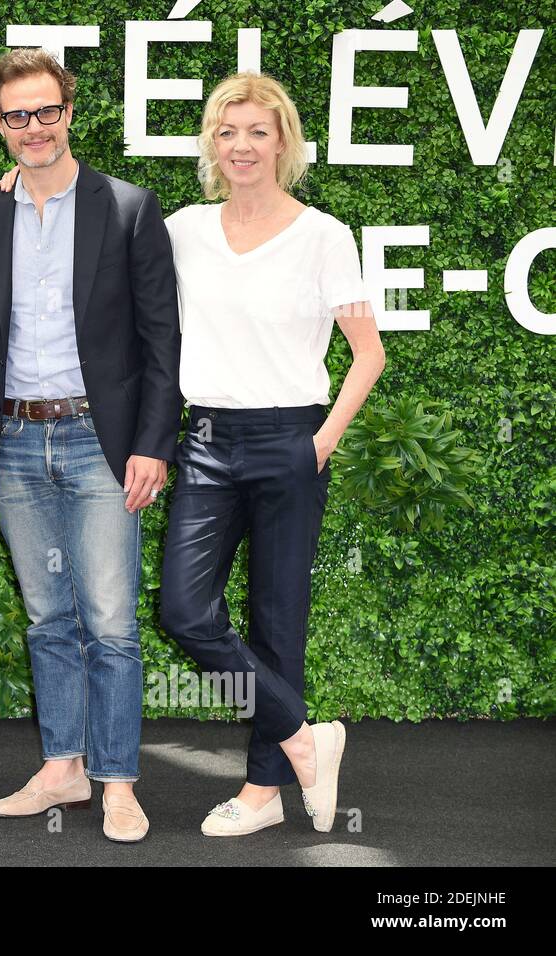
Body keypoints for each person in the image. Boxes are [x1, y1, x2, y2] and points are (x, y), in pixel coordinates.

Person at [0, 49, 182, 843]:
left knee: (111, 622)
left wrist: (153, 444)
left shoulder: (127, 207)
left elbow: (162, 342)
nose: (34, 127)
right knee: (49, 618)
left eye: (46, 111)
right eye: (17, 115)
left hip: (100, 443)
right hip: (13, 439)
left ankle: (119, 780)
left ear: (70, 113)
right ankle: (63, 768)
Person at [158, 72, 385, 836]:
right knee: (185, 611)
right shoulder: (185, 227)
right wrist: (25, 186)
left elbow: (368, 355)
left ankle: (261, 793)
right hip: (208, 439)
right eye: (227, 132)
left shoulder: (323, 235)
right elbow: (106, 259)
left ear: (282, 140)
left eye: (257, 131)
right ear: (211, 145)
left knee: (276, 621)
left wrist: (319, 443)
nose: (242, 146)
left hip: (292, 436)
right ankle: (303, 735)